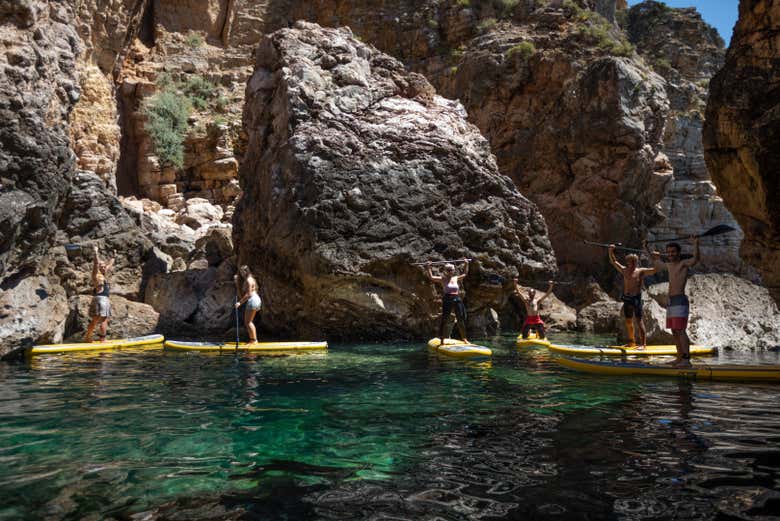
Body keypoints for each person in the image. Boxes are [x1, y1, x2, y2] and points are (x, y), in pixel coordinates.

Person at [646, 237, 700, 367]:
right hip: (671, 301)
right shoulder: (669, 265)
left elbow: (695, 259)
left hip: (680, 300)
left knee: (680, 330)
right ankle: (679, 357)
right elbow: (654, 260)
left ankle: (686, 360)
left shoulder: (684, 264)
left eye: (673, 252)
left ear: (678, 253)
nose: (671, 254)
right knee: (674, 331)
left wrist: (696, 244)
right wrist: (646, 247)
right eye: (669, 252)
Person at [608, 245, 658, 348]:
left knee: (639, 321)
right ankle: (632, 342)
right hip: (627, 298)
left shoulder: (641, 271)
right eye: (631, 261)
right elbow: (614, 261)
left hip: (636, 299)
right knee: (628, 321)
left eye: (635, 261)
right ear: (627, 262)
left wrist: (655, 258)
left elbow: (654, 270)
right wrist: (610, 251)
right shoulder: (624, 270)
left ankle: (643, 344)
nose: (634, 263)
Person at [426, 260, 469, 343]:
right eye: (448, 270)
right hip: (447, 299)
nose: (450, 271)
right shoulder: (443, 279)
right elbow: (431, 277)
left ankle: (464, 339)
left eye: (451, 270)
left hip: (457, 298)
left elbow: (465, 274)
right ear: (445, 271)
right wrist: (428, 267)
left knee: (460, 319)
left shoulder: (455, 278)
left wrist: (467, 264)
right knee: (445, 319)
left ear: (453, 271)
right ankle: (442, 338)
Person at [85, 245, 115, 343]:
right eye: (101, 266)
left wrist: (114, 256)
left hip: (98, 298)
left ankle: (89, 338)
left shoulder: (103, 274)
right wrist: (95, 252)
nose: (103, 267)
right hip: (102, 299)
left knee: (96, 320)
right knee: (102, 319)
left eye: (103, 266)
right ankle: (100, 339)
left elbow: (109, 265)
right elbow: (96, 263)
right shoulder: (96, 274)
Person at [234, 265, 261, 344]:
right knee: (249, 322)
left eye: (242, 272)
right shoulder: (252, 279)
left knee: (248, 322)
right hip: (256, 299)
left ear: (246, 271)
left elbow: (248, 294)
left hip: (253, 300)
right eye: (240, 272)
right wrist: (236, 282)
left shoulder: (248, 280)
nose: (241, 274)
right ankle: (254, 340)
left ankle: (254, 340)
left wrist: (239, 303)